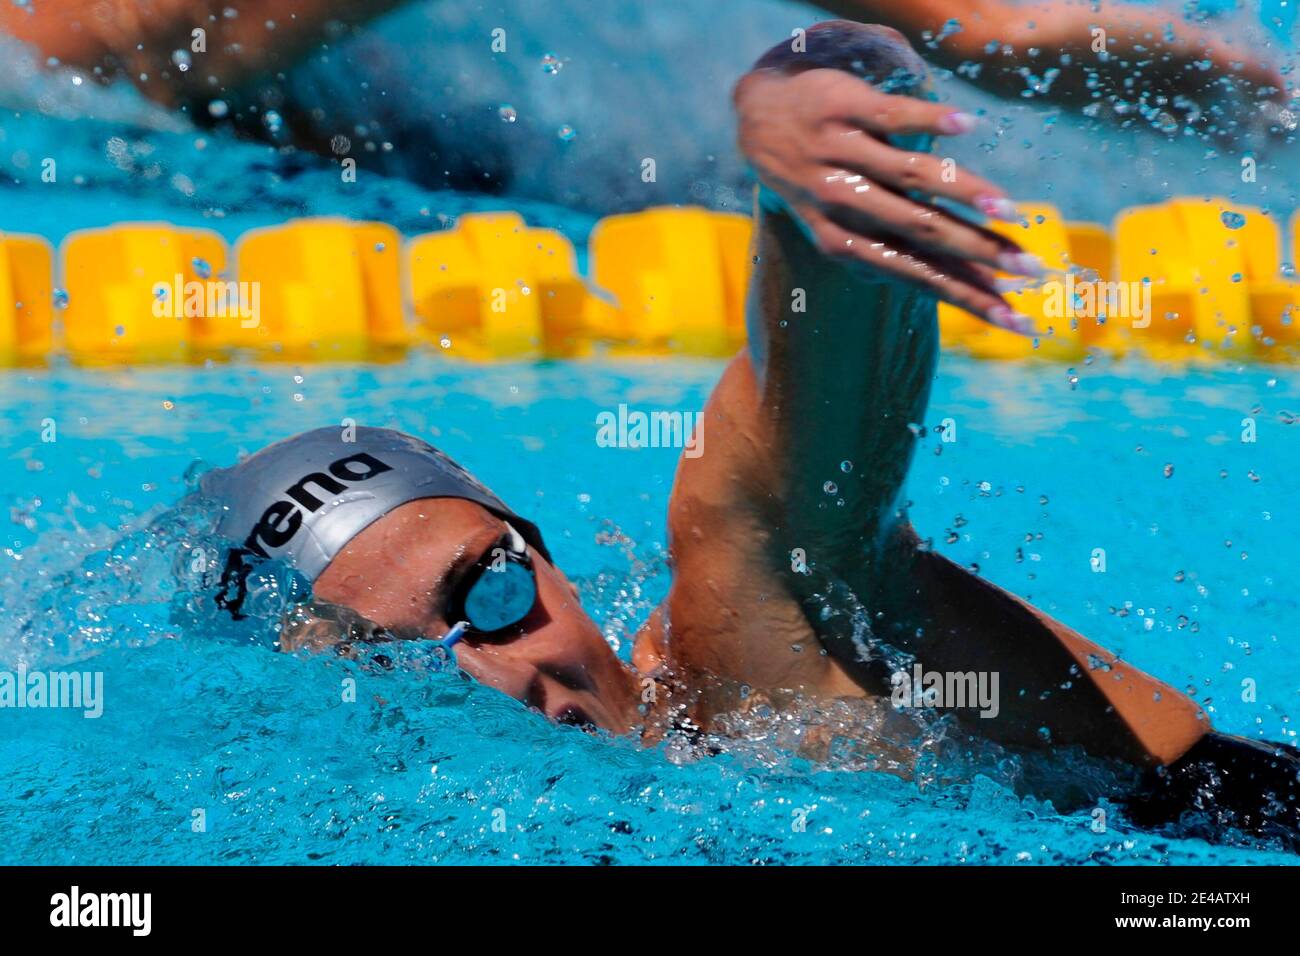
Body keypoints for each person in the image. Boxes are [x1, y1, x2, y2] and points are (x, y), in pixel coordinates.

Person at [190, 20, 1299, 846]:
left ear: (549, 559)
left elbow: (803, 443)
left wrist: (818, 128)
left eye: (490, 590)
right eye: (393, 666)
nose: (500, 675)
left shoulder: (752, 665)